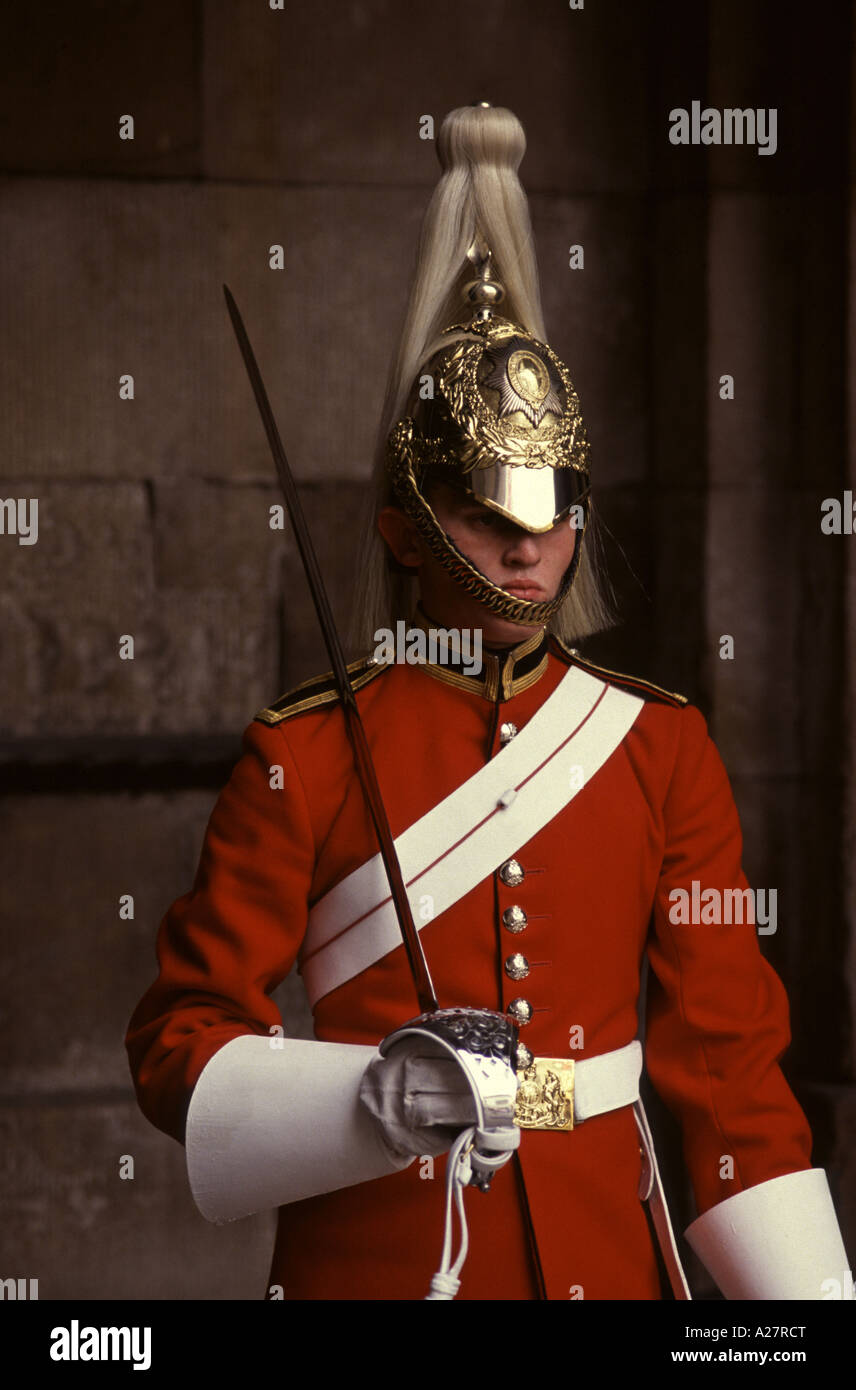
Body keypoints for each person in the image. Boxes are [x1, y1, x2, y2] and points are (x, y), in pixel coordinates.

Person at [126, 104, 851, 1301]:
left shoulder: (656, 746)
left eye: (551, 516)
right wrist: (368, 1096)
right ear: (406, 530)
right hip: (378, 1266)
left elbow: (728, 1071)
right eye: (485, 519)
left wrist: (810, 1312)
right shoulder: (301, 751)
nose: (525, 554)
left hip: (607, 1264)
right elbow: (180, 1039)